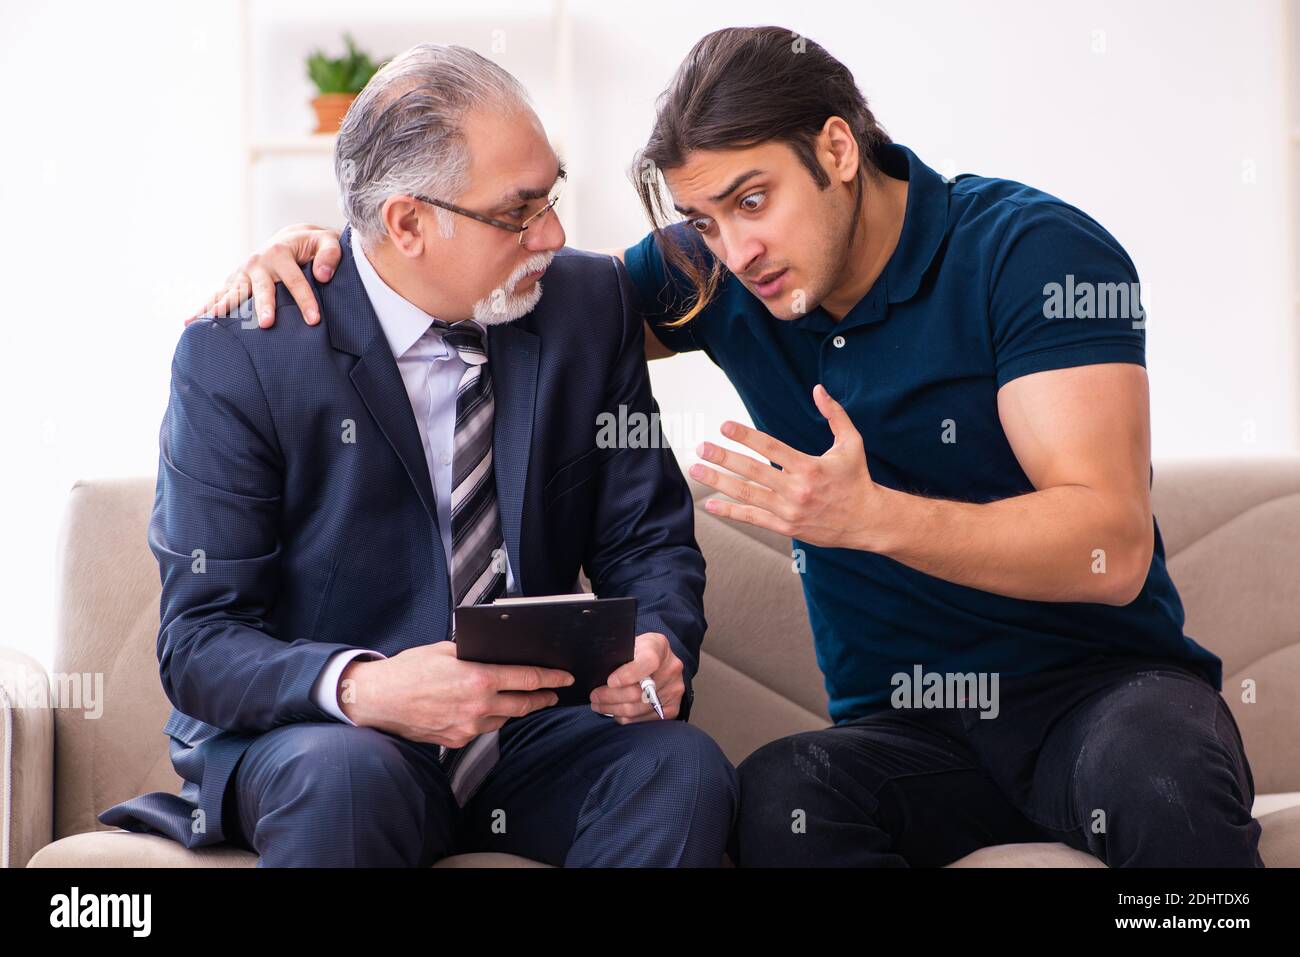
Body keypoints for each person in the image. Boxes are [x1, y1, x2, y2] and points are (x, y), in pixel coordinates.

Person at [202, 27, 1261, 867]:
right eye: (703, 220)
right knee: (782, 801)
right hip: (907, 729)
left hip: (1100, 695)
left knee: (1155, 776)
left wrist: (869, 519)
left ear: (837, 150)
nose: (732, 247)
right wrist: (343, 256)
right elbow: (510, 282)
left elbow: (1108, 548)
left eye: (752, 200)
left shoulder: (1030, 253)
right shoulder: (723, 270)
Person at [100, 43, 737, 867]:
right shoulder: (242, 355)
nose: (554, 232)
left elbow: (646, 542)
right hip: (331, 739)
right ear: (406, 223)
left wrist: (658, 643)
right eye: (519, 211)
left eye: (553, 195)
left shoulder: (589, 305)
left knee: (681, 769)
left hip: (529, 732)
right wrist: (367, 686)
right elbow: (201, 641)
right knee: (348, 778)